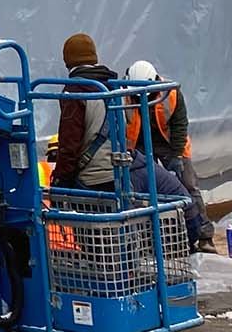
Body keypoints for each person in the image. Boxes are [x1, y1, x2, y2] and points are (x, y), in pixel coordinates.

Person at [49, 34, 210, 247]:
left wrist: (60, 183)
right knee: (167, 200)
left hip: (99, 175)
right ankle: (186, 242)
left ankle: (196, 238)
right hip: (125, 164)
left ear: (67, 61)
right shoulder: (114, 86)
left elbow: (69, 145)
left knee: (97, 235)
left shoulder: (74, 93)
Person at [128, 58, 211, 251]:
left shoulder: (171, 92)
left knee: (189, 185)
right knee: (144, 191)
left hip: (170, 142)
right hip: (139, 145)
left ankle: (204, 235)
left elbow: (180, 125)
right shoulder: (125, 93)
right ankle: (152, 240)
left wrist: (177, 156)